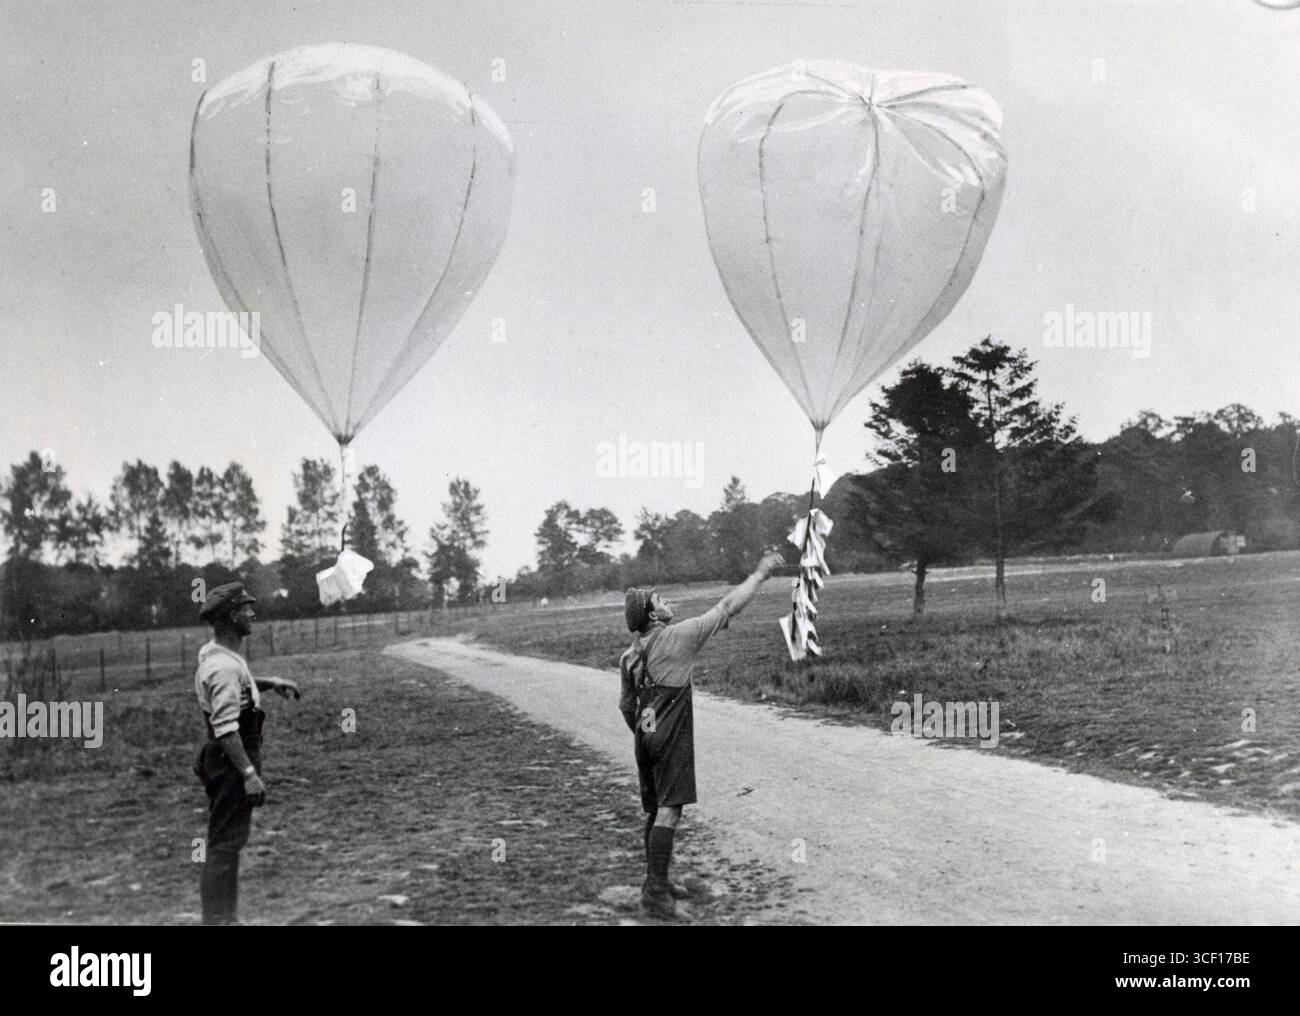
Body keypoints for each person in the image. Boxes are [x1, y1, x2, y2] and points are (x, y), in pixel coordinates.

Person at [620, 549, 785, 919]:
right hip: (669, 736)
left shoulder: (629, 655)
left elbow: (626, 707)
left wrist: (646, 735)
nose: (667, 602)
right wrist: (759, 574)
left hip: (644, 739)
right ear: (651, 614)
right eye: (660, 601)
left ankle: (654, 880)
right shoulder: (679, 636)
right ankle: (657, 896)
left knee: (655, 809)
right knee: (670, 812)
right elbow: (727, 607)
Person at [192, 582, 300, 925]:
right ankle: (217, 920)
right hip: (233, 760)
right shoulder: (222, 667)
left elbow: (237, 684)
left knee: (229, 840)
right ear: (229, 617)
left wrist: (267, 682)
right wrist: (249, 774)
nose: (252, 613)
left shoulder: (218, 654)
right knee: (224, 844)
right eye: (245, 609)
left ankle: (227, 918)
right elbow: (225, 728)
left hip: (226, 759)